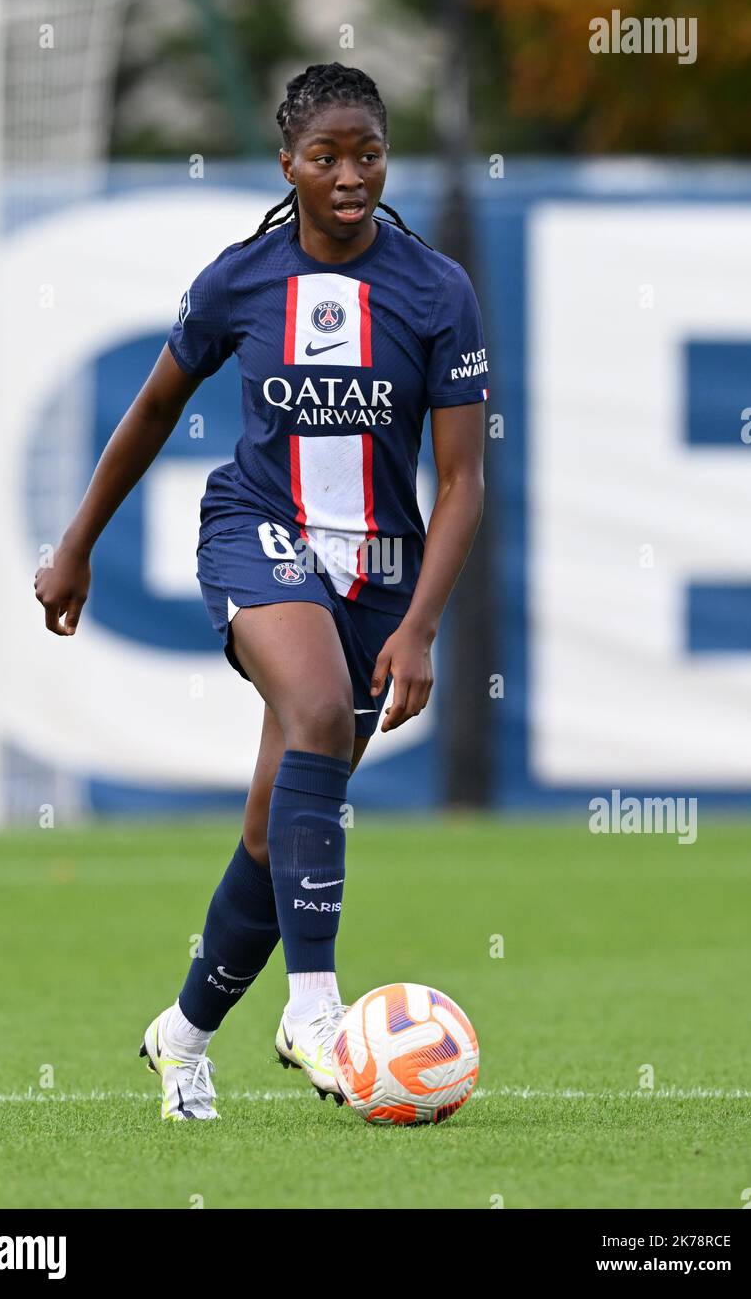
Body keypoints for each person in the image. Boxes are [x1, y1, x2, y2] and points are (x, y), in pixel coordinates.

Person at [34, 61, 488, 1121]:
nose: (347, 174)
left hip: (378, 568)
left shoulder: (435, 290)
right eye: (324, 156)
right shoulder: (240, 278)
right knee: (321, 710)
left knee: (277, 828)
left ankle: (181, 1035)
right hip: (256, 532)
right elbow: (151, 410)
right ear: (286, 162)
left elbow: (464, 479)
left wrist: (419, 624)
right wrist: (76, 545)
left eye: (366, 153)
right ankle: (314, 1009)